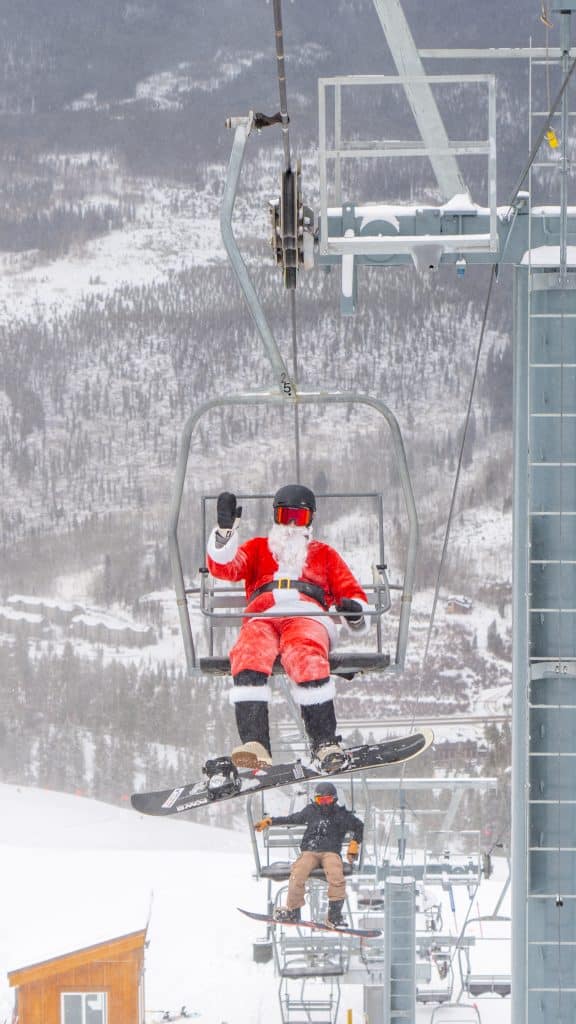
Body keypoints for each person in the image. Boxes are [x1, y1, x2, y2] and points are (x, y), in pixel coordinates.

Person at [206, 484, 371, 772]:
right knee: (249, 650)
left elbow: (351, 591)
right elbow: (225, 568)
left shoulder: (324, 555)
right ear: (275, 516)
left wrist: (354, 611)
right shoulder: (258, 549)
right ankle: (255, 743)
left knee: (304, 652)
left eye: (299, 517)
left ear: (310, 520)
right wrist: (225, 533)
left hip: (306, 614)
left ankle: (324, 742)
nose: (292, 525)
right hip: (262, 616)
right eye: (285, 516)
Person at [255, 780, 363, 928]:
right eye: (320, 800)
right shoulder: (311, 810)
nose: (324, 804)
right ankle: (293, 911)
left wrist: (354, 844)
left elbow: (359, 826)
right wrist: (270, 821)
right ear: (316, 800)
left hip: (331, 852)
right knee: (297, 873)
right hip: (310, 852)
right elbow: (292, 818)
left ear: (334, 799)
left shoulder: (341, 814)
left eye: (327, 800)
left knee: (336, 876)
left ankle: (334, 916)